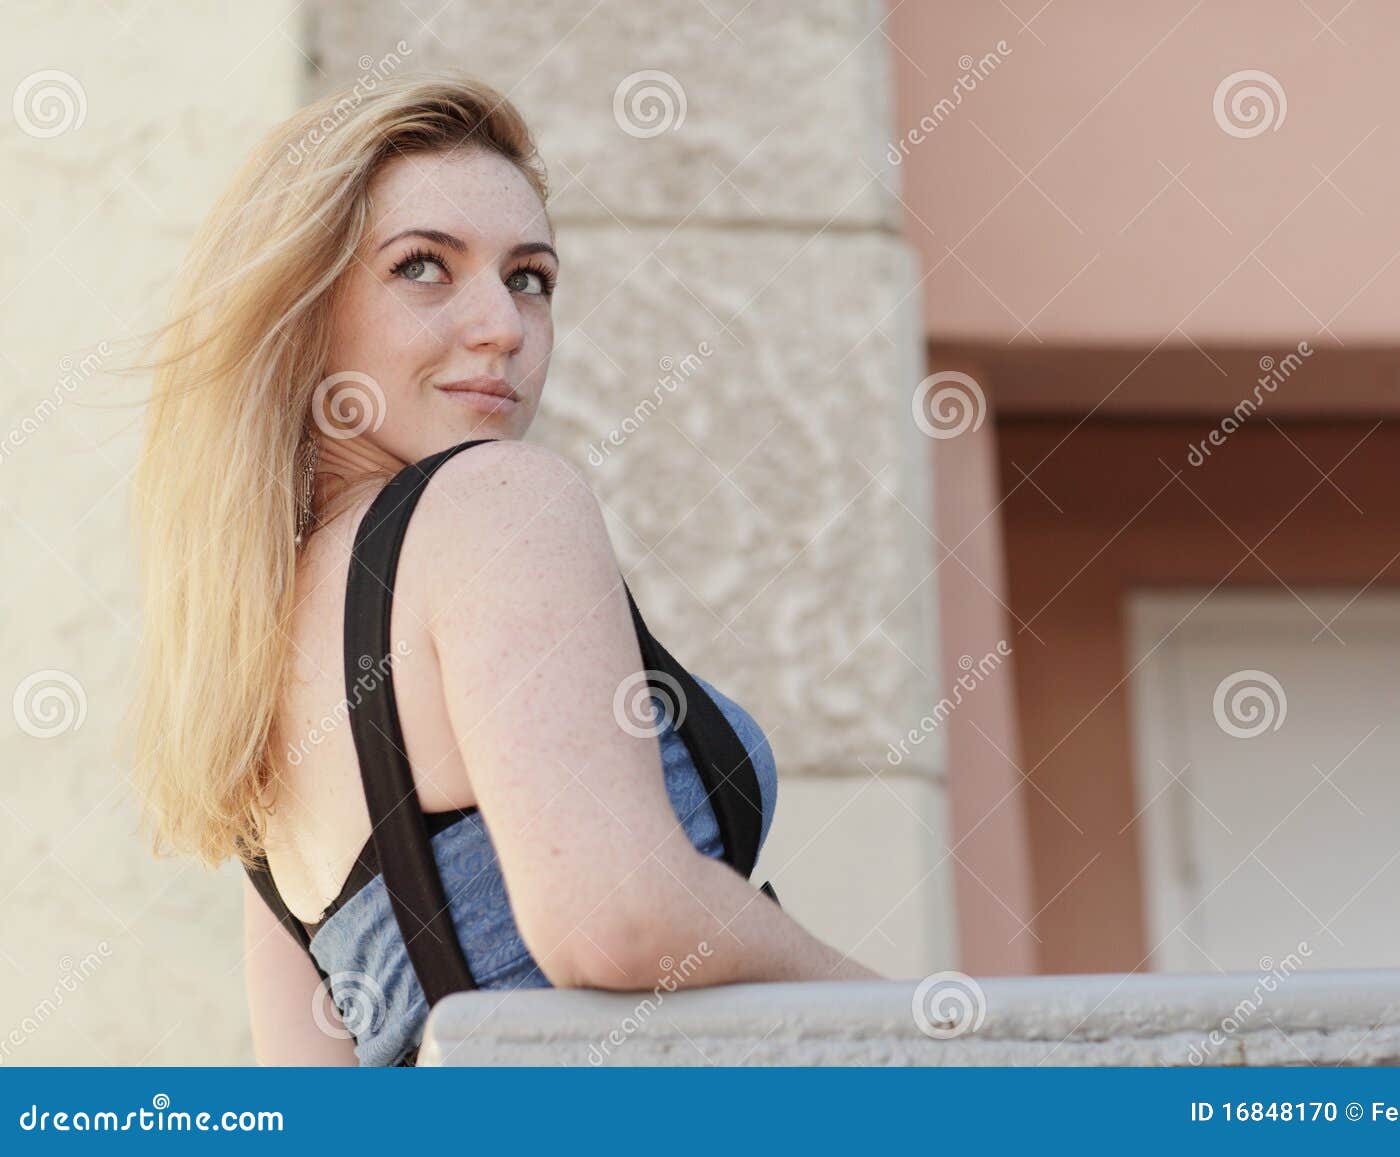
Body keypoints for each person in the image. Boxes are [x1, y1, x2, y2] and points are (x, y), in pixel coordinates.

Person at [123, 69, 880, 1067]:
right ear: (302, 310)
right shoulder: (496, 498)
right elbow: (616, 919)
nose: (504, 326)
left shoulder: (248, 667)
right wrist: (910, 1015)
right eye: (423, 266)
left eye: (529, 278)